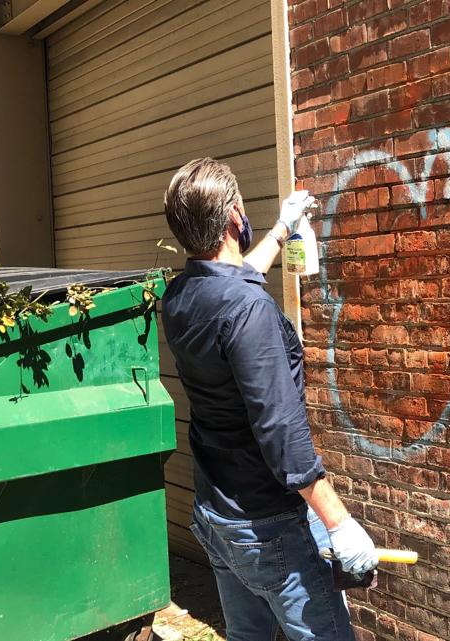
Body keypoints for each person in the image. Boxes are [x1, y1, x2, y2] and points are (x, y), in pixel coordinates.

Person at [160, 157, 376, 641]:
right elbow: (281, 431)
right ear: (235, 216)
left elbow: (233, 280)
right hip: (266, 525)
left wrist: (283, 227)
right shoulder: (247, 310)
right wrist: (338, 524)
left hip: (216, 514)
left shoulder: (180, 296)